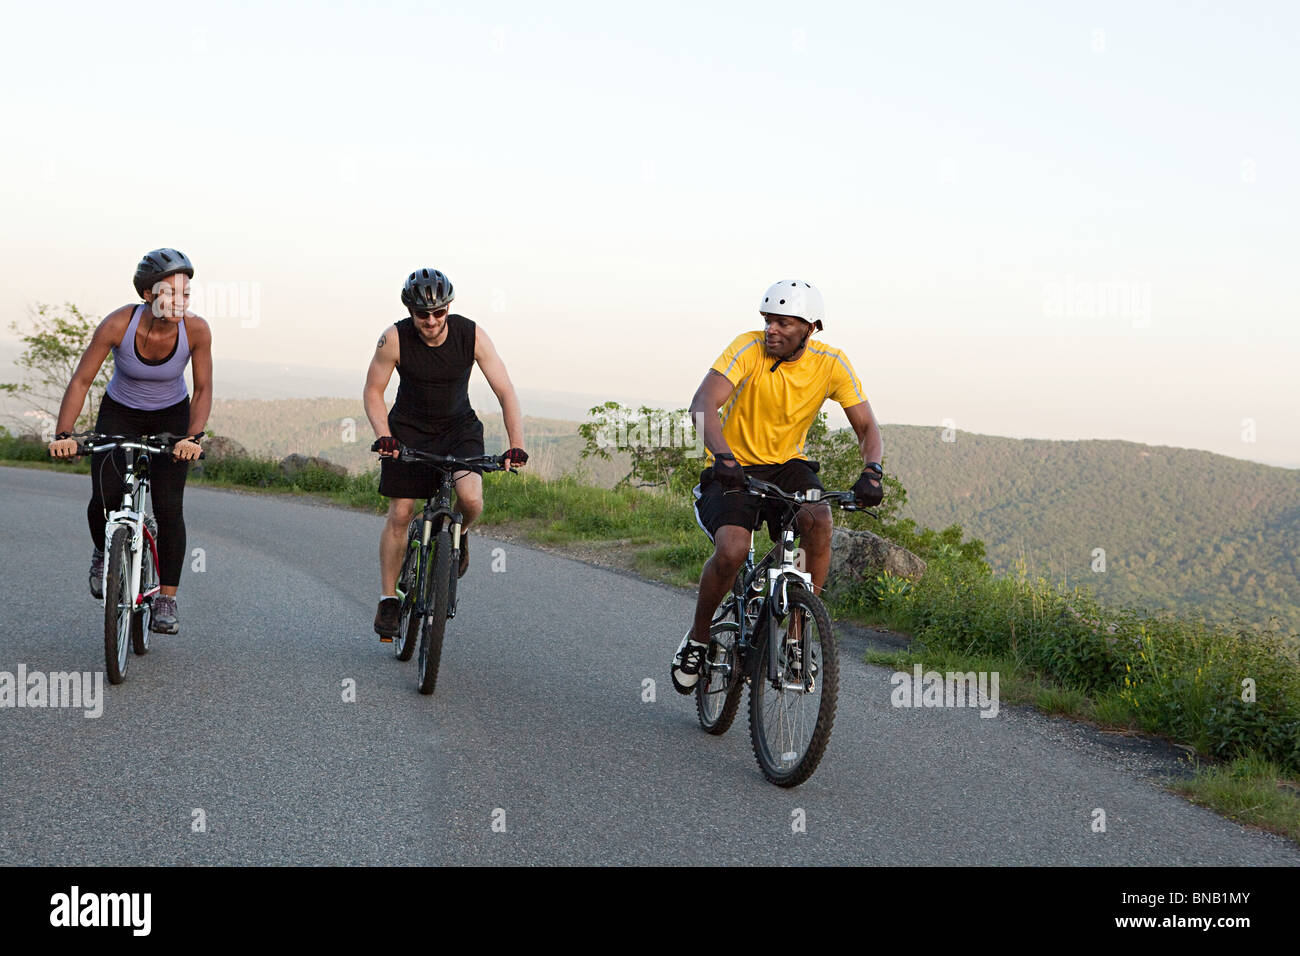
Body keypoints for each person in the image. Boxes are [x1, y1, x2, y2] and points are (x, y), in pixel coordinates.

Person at [670, 279, 885, 693]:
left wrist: (872, 471)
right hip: (733, 467)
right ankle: (698, 638)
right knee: (732, 551)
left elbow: (866, 426)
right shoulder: (747, 348)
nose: (771, 329)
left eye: (783, 323)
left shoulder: (831, 363)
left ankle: (797, 636)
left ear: (810, 328)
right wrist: (723, 456)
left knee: (818, 519)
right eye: (768, 319)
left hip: (787, 465)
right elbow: (703, 405)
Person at [47, 248, 212, 634]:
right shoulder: (118, 323)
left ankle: (166, 598)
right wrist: (64, 434)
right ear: (147, 295)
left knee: (169, 508)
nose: (180, 301)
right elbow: (81, 380)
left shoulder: (197, 330)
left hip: (172, 417)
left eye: (185, 294)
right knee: (103, 498)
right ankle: (104, 550)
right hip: (119, 412)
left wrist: (192, 437)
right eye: (170, 293)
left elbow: (203, 388)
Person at [364, 267, 528, 639]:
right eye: (423, 314)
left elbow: (505, 391)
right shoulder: (394, 339)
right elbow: (373, 391)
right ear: (411, 312)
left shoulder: (472, 335)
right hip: (408, 430)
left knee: (471, 499)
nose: (432, 321)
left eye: (439, 312)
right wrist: (385, 437)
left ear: (448, 308)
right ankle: (388, 599)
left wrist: (516, 444)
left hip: (458, 430)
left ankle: (460, 532)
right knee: (402, 512)